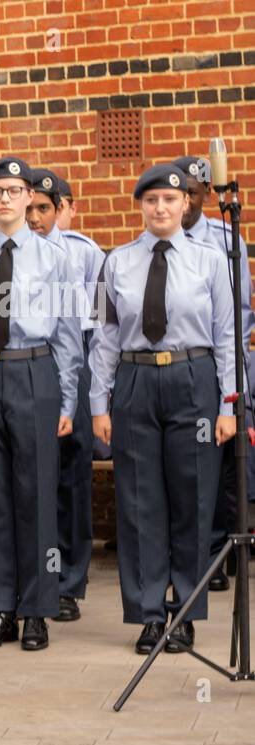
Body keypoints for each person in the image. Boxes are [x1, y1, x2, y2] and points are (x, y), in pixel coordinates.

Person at [90, 163, 236, 654]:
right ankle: (149, 612)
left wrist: (229, 404)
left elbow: (228, 336)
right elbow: (104, 336)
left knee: (193, 500)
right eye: (151, 201)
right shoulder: (114, 263)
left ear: (185, 204)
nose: (160, 209)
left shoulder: (212, 261)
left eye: (170, 200)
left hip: (193, 379)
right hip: (134, 380)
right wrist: (99, 402)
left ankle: (186, 611)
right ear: (141, 206)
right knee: (138, 500)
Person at [0, 156, 81, 651]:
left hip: (34, 369)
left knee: (37, 493)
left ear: (30, 197)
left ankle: (39, 608)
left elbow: (69, 335)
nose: (4, 198)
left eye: (13, 190)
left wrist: (68, 398)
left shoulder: (57, 259)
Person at [173, 155, 255, 594]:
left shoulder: (227, 240)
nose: (185, 200)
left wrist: (235, 386)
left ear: (206, 192)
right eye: (179, 191)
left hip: (214, 366)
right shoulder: (156, 240)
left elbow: (240, 318)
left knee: (219, 467)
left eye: (192, 191)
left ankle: (215, 555)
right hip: (172, 371)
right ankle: (192, 557)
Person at [27, 168, 104, 623]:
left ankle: (70, 582)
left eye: (43, 208)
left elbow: (99, 325)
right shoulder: (11, 252)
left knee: (73, 478)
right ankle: (39, 576)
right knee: (34, 477)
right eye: (30, 208)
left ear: (60, 209)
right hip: (29, 371)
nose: (35, 217)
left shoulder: (85, 254)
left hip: (74, 369)